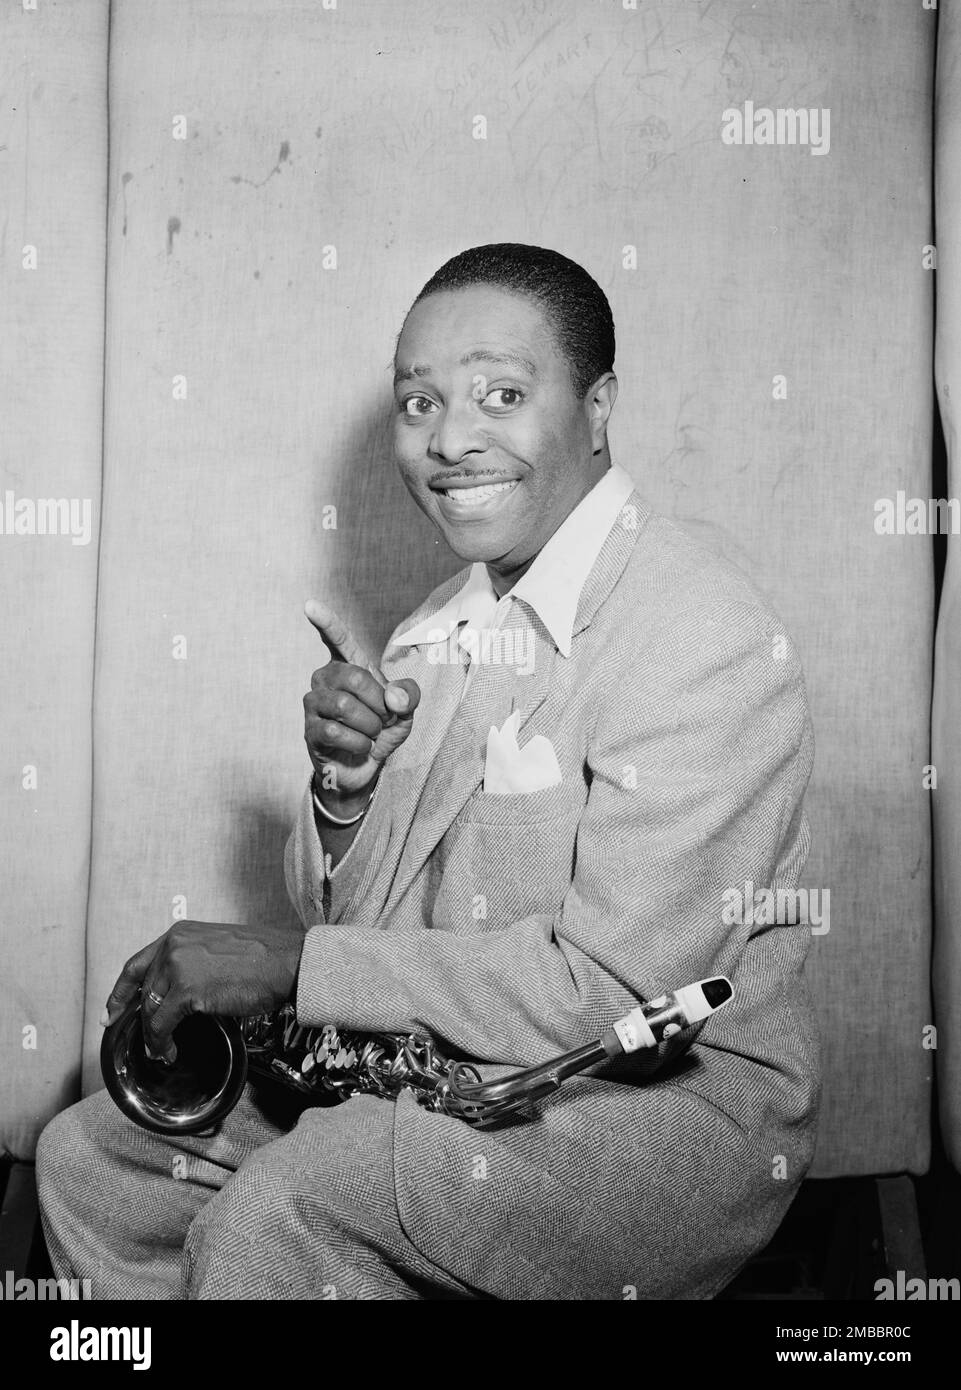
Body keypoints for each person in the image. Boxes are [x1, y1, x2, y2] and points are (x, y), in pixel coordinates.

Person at [36, 243, 819, 1300]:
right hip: (459, 1075)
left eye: (500, 393)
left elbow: (618, 994)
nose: (450, 440)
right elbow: (365, 924)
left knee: (281, 1213)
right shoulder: (433, 628)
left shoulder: (701, 628)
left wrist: (292, 963)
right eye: (418, 402)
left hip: (652, 1108)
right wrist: (345, 798)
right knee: (93, 1164)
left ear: (597, 409)